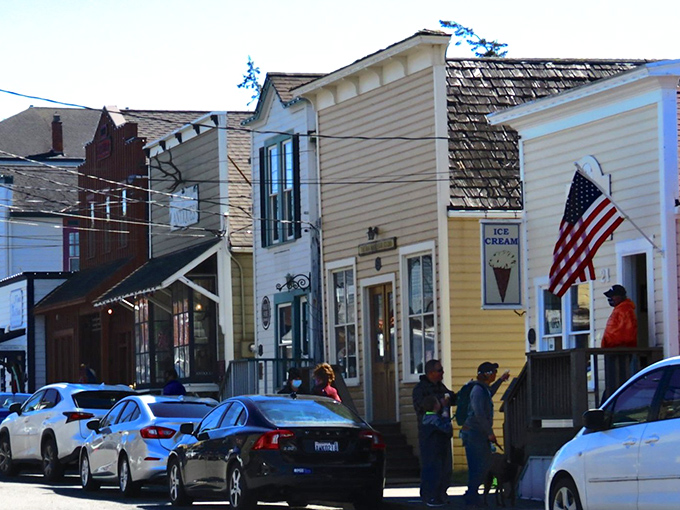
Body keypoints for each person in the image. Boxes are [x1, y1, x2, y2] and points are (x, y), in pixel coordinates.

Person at [461, 361, 510, 508]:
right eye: (494, 372)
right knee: (477, 467)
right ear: (487, 374)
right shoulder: (477, 391)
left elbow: (490, 392)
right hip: (474, 434)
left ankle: (474, 497)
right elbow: (479, 414)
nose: (495, 374)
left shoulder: (483, 389)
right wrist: (490, 434)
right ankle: (472, 498)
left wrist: (501, 380)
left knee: (483, 467)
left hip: (478, 433)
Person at [412, 359, 454, 504]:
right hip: (429, 433)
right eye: (440, 370)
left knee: (445, 466)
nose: (442, 373)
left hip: (443, 431)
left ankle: (441, 494)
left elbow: (452, 397)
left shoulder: (440, 387)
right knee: (431, 465)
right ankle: (429, 495)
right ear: (431, 373)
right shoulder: (420, 389)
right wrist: (439, 404)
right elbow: (421, 407)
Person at [602, 284, 638, 399]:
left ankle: (612, 406)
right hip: (613, 352)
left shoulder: (625, 310)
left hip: (619, 352)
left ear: (620, 296)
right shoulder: (620, 309)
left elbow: (625, 335)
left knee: (617, 384)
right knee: (612, 384)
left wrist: (612, 344)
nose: (610, 299)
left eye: (613, 296)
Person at [419, 395, 453, 507]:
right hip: (438, 450)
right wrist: (446, 411)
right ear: (435, 406)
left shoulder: (424, 419)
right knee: (438, 473)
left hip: (428, 450)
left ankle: (427, 495)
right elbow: (447, 429)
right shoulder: (436, 420)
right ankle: (435, 497)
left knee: (429, 472)